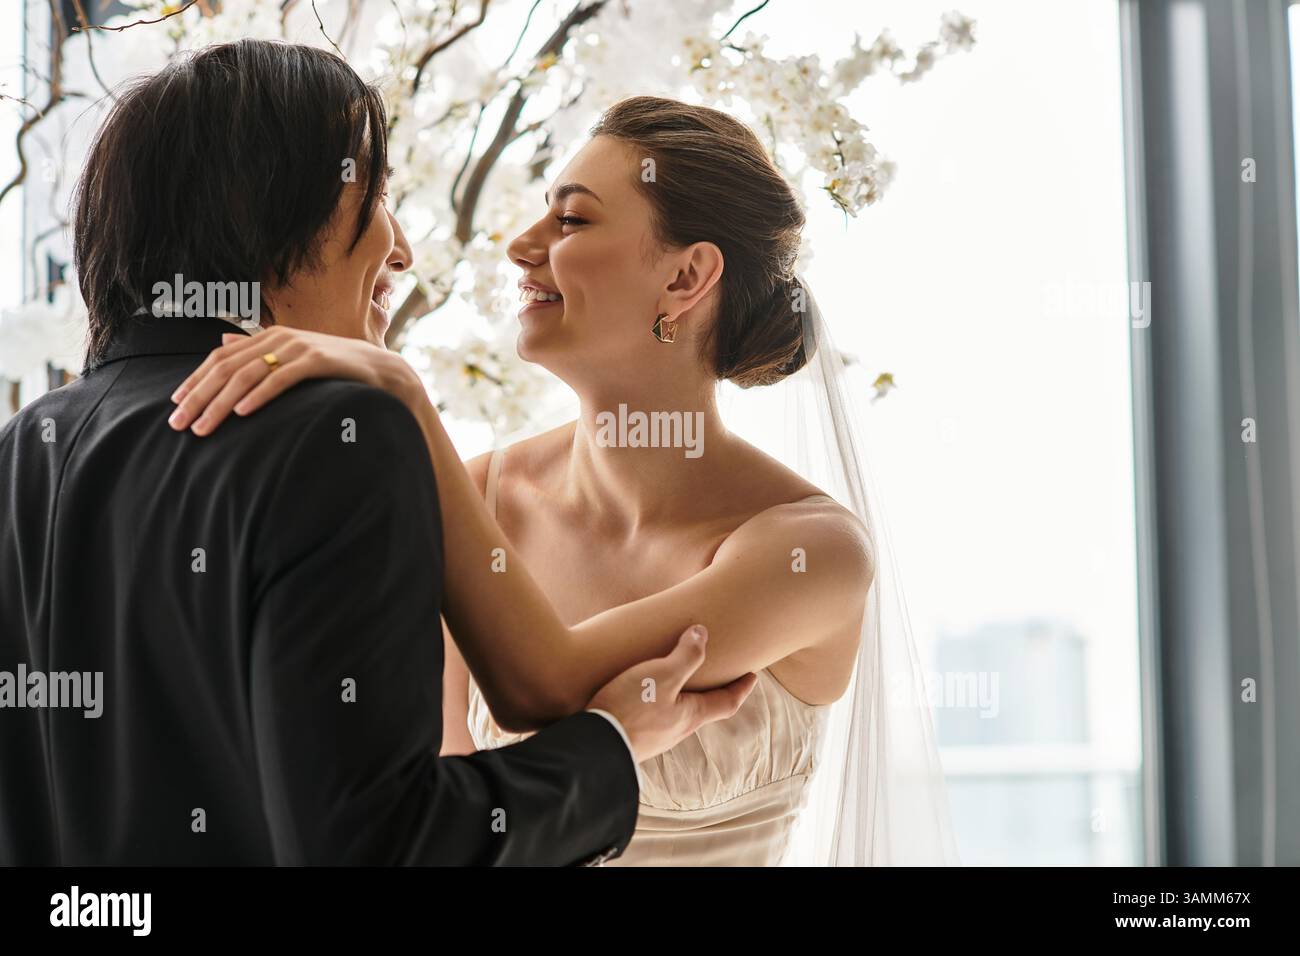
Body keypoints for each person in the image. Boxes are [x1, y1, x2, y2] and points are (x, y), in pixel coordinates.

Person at [0, 40, 755, 867]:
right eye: (375, 193)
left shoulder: (23, 452)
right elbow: (381, 846)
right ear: (265, 203)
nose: (399, 248)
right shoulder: (336, 438)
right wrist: (609, 750)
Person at [171, 96, 889, 866]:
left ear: (687, 276)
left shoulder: (811, 552)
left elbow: (548, 685)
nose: (520, 245)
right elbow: (440, 816)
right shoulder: (474, 499)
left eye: (572, 221)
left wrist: (407, 397)